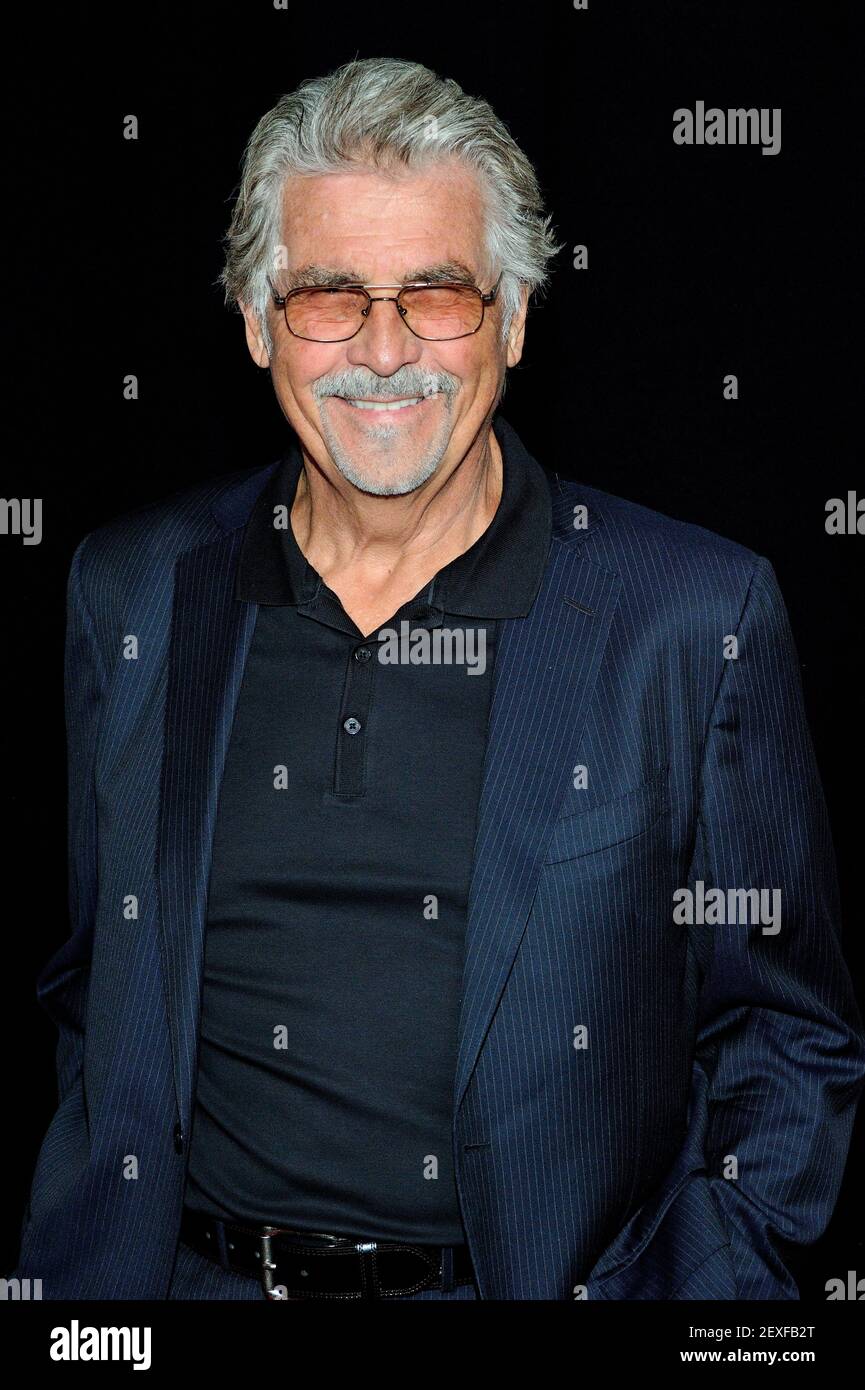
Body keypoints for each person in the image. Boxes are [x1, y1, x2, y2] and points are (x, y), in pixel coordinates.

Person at [12, 57, 864, 1301]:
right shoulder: (132, 589)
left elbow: (791, 1031)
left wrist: (705, 1293)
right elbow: (96, 983)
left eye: (435, 292)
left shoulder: (692, 616)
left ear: (513, 317)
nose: (384, 350)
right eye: (328, 295)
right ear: (256, 323)